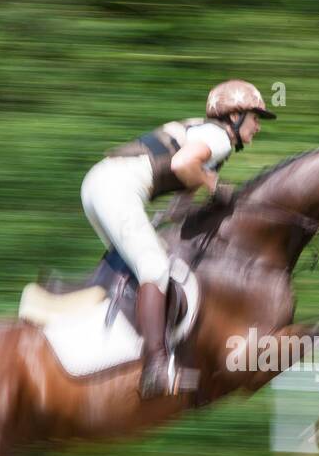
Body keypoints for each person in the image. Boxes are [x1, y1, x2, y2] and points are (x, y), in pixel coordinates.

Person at [80, 79, 276, 397]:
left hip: (100, 185)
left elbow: (179, 205)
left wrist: (206, 197)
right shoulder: (219, 138)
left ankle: (114, 345)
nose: (258, 127)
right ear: (236, 115)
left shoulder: (203, 136)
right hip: (113, 189)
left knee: (138, 267)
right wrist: (216, 187)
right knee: (154, 266)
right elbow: (181, 163)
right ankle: (156, 367)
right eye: (255, 118)